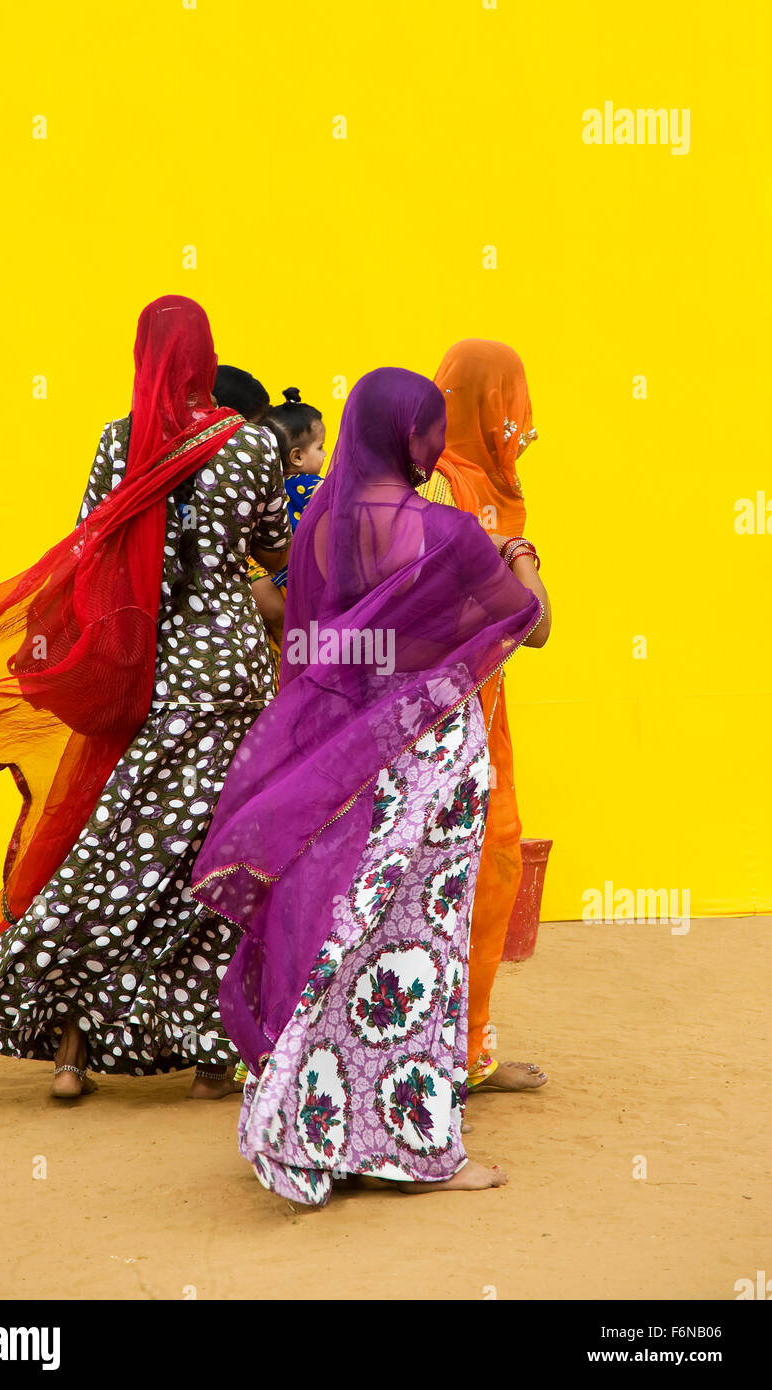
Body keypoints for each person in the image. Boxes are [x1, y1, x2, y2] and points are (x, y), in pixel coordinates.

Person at [0, 296, 291, 1100]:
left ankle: (71, 1055)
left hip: (142, 671)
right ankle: (213, 1059)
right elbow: (270, 547)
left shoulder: (118, 442)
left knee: (111, 850)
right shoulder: (253, 444)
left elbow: (89, 549)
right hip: (228, 666)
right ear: (205, 355)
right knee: (227, 852)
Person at [189, 367, 551, 1207]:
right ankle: (420, 1145)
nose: (436, 445)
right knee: (420, 945)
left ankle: (311, 1113)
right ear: (411, 438)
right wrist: (522, 559)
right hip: (431, 756)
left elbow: (326, 644)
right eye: (430, 431)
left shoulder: (320, 527)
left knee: (346, 927)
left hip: (350, 757)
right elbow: (528, 627)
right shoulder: (450, 534)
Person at [421, 338, 549, 1093]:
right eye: (514, 403)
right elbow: (517, 620)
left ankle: (469, 1046)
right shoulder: (438, 483)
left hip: (485, 711)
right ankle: (424, 1053)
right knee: (441, 875)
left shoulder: (493, 487)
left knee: (493, 865)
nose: (525, 425)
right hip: (437, 721)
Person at [249, 387, 326, 658]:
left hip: (271, 584)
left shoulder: (263, 487)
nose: (325, 454)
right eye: (320, 447)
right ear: (297, 457)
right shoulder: (316, 486)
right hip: (307, 585)